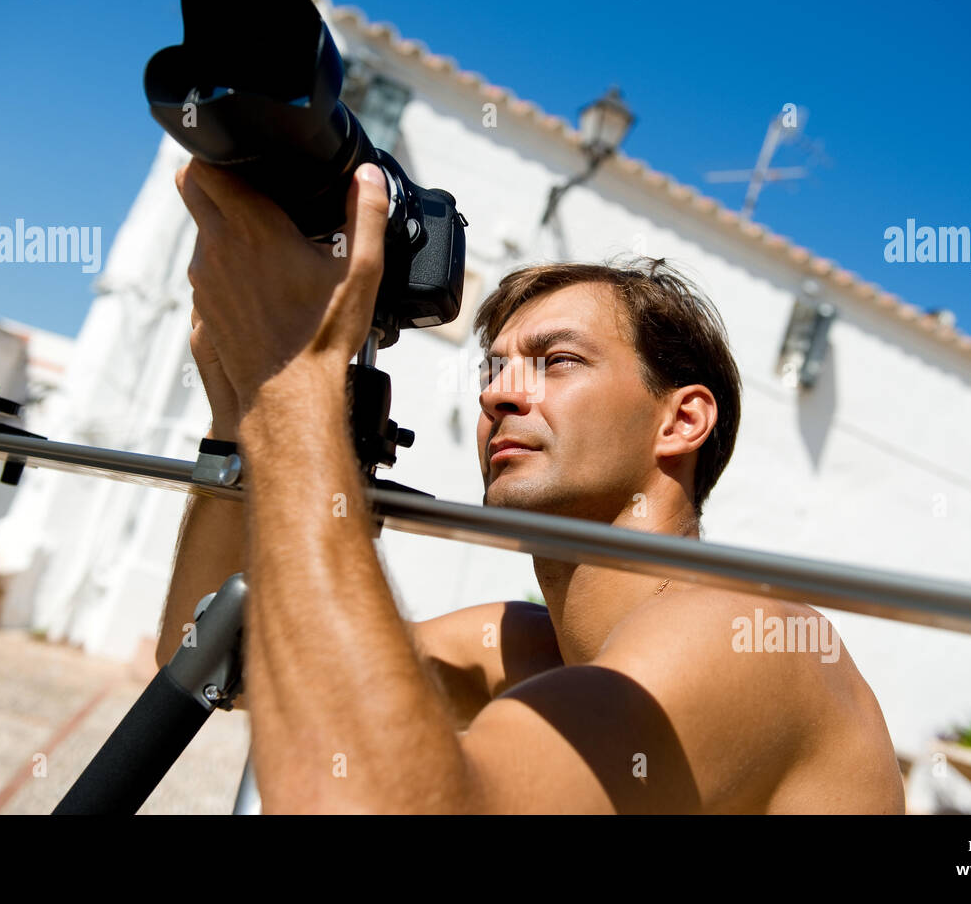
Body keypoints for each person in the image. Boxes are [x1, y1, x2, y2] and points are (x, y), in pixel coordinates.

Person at [157, 157, 905, 813]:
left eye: (557, 361)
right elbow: (218, 661)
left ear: (681, 420)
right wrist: (238, 424)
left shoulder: (740, 637)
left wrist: (298, 392)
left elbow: (366, 801)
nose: (500, 394)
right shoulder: (529, 647)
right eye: (495, 368)